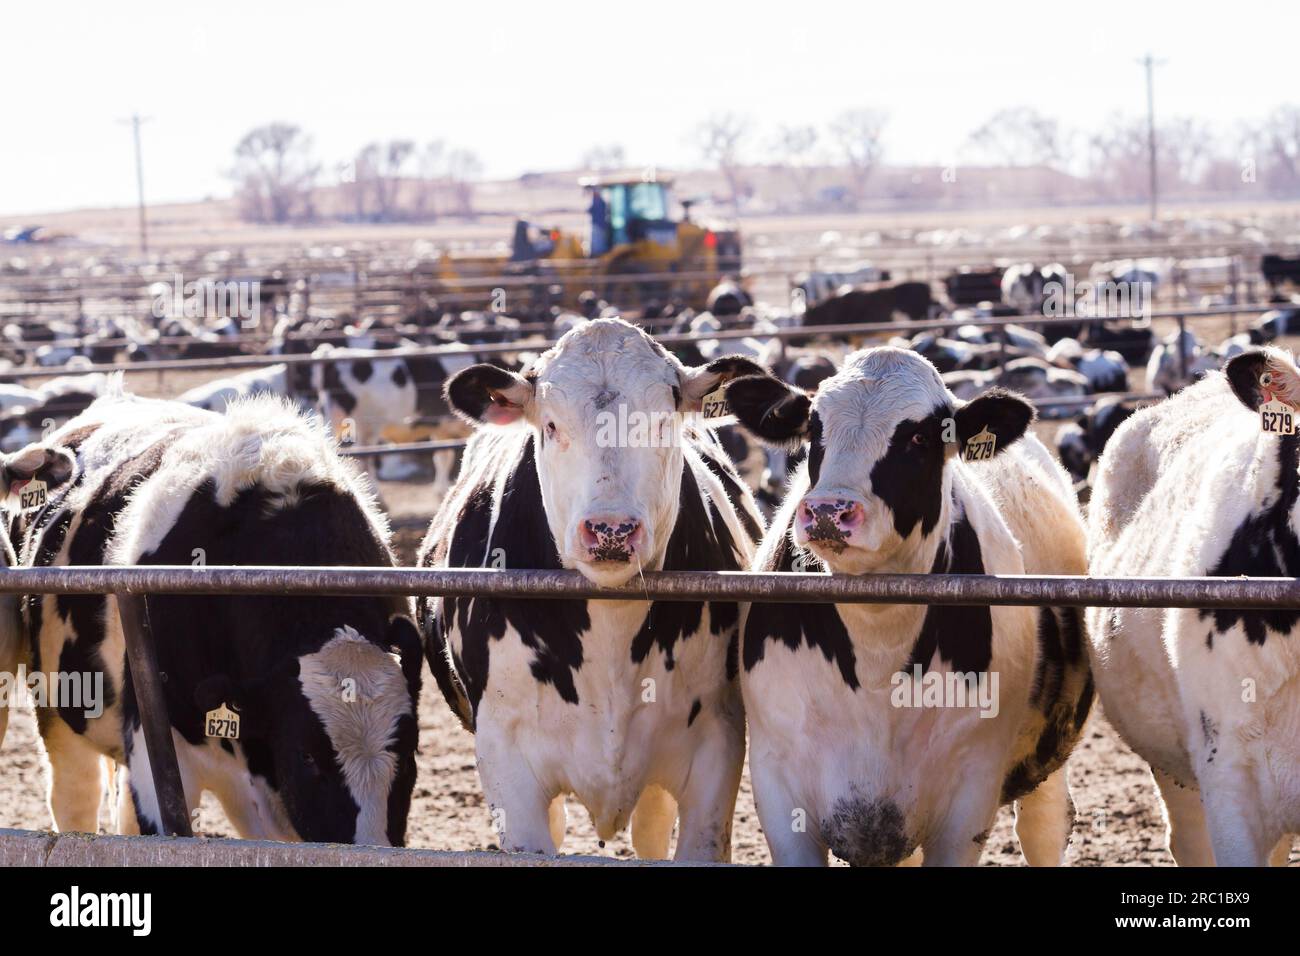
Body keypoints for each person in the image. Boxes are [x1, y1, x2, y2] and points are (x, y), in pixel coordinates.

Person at [588, 187, 610, 256]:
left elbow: (592, 210)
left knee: (598, 242)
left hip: (598, 225)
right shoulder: (600, 202)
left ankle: (598, 254)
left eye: (594, 193)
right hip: (599, 225)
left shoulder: (598, 202)